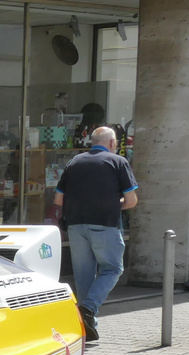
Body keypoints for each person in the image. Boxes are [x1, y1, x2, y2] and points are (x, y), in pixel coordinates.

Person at [54, 124, 137, 342]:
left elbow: (58, 200)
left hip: (75, 225)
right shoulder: (118, 161)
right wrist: (113, 203)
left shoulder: (74, 162)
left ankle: (86, 327)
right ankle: (88, 310)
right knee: (112, 268)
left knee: (83, 277)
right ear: (111, 143)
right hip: (105, 225)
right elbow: (131, 201)